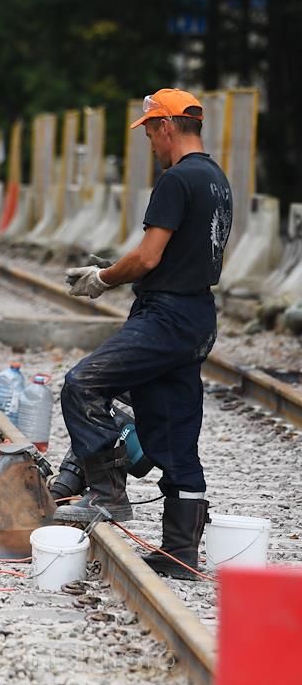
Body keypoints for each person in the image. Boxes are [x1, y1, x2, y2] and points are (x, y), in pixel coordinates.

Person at [52, 88, 232, 581]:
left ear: (169, 126)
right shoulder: (217, 179)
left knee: (83, 384)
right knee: (175, 435)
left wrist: (103, 277)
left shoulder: (177, 180)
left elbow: (149, 256)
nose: (150, 139)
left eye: (151, 129)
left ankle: (106, 493)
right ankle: (180, 553)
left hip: (166, 314)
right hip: (197, 316)